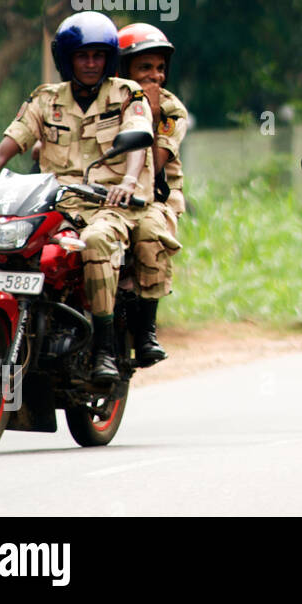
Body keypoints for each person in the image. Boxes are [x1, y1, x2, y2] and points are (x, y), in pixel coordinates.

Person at [0, 11, 154, 382]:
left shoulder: (127, 94)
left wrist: (128, 181)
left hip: (107, 204)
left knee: (95, 243)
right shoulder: (46, 99)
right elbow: (4, 151)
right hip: (54, 201)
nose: (91, 63)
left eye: (97, 55)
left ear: (108, 58)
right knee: (1, 236)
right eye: (82, 56)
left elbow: (138, 141)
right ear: (68, 60)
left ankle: (105, 349)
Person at [117, 22, 190, 367]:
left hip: (156, 195)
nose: (156, 75)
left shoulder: (171, 111)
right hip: (101, 193)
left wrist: (151, 113)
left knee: (150, 234)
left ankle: (145, 331)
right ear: (123, 70)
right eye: (145, 67)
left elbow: (154, 165)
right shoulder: (107, 99)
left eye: (160, 68)